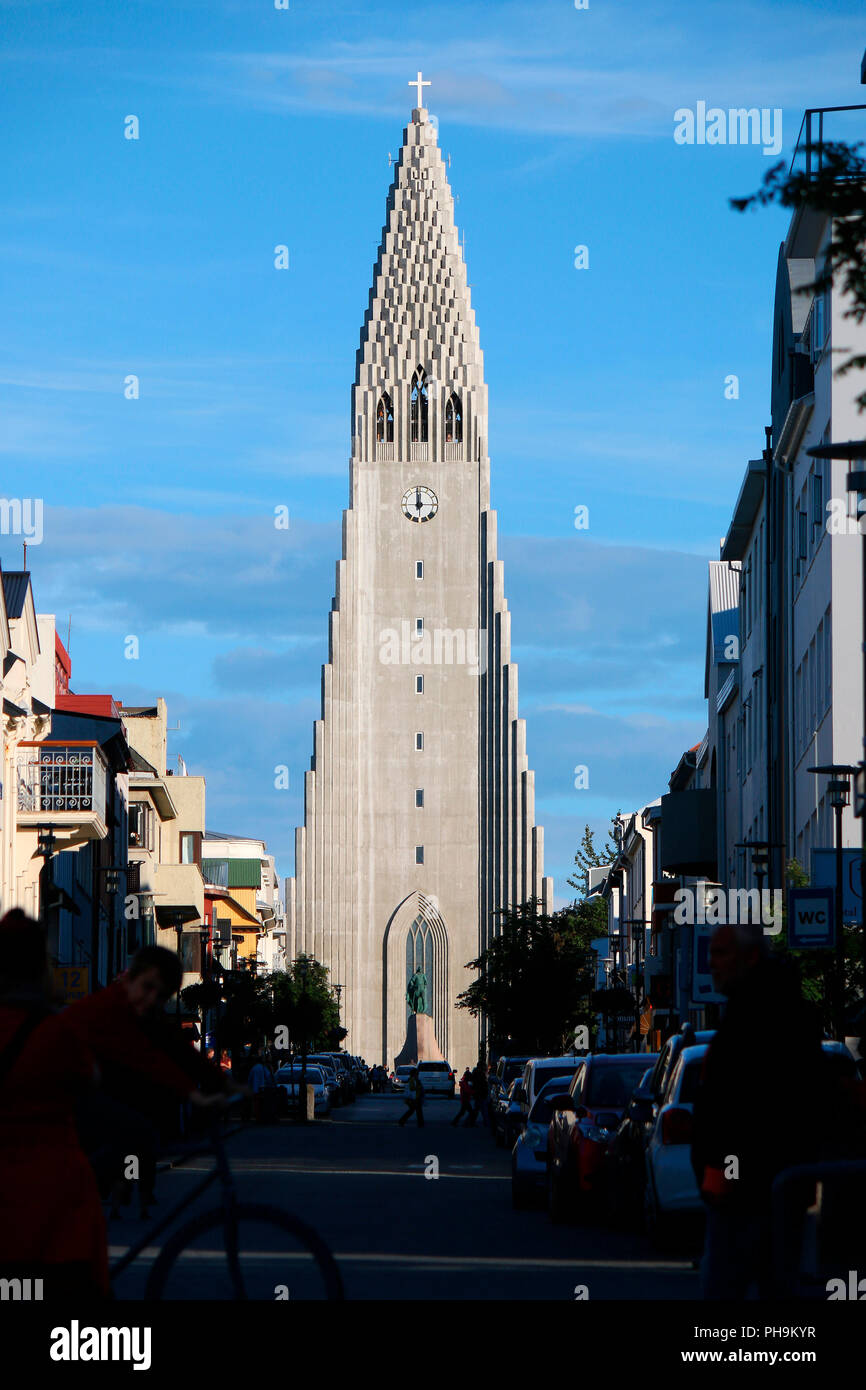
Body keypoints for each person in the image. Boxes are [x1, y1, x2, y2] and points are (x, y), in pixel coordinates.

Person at [690, 923, 823, 1300]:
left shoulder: (762, 1017)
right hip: (756, 1189)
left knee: (732, 1286)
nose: (712, 964)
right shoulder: (750, 1010)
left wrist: (725, 1172)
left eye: (721, 953)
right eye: (711, 953)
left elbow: (749, 1109)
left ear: (749, 957)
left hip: (751, 1193)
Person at [468, 1060, 489, 1127]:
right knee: (483, 1109)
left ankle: (471, 1122)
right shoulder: (479, 1074)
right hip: (480, 1093)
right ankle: (486, 1123)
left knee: (478, 1109)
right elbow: (482, 1084)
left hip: (479, 1093)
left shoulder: (476, 1073)